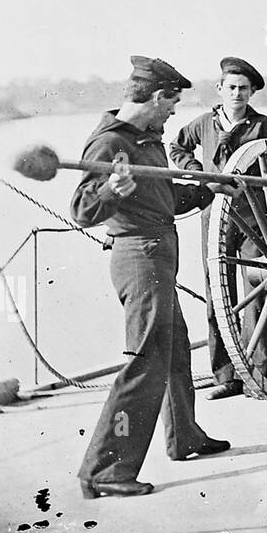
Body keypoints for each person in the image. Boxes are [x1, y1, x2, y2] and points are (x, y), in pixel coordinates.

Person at [71, 56, 231, 499]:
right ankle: (104, 469)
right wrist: (108, 191)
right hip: (139, 259)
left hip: (159, 255)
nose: (173, 113)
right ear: (156, 97)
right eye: (171, 103)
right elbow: (82, 210)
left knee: (175, 346)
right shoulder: (108, 144)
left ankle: (184, 437)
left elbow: (166, 200)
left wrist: (208, 189)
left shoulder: (147, 140)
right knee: (146, 360)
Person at [169, 56, 267, 400]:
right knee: (217, 292)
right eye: (231, 87)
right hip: (213, 214)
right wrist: (197, 169)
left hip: (252, 217)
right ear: (219, 89)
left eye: (244, 89)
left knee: (256, 288)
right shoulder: (204, 123)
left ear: (251, 93)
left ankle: (256, 375)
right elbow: (177, 146)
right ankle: (225, 375)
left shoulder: (262, 125)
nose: (237, 94)